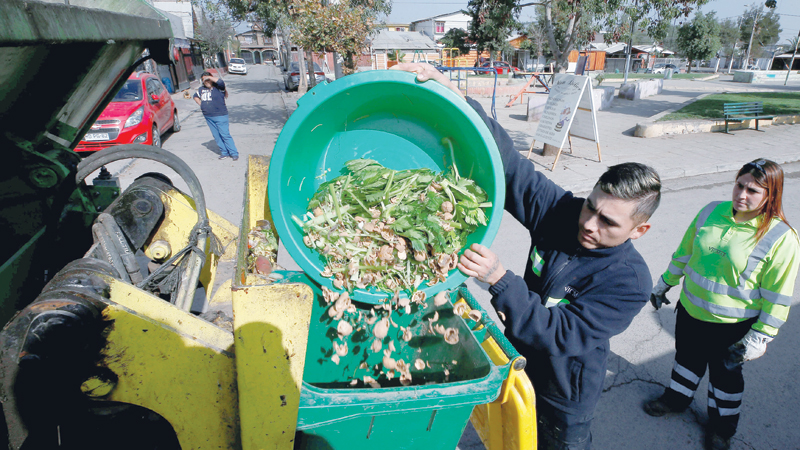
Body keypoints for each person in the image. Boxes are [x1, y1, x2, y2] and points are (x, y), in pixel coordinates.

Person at [391, 63, 662, 449]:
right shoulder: (565, 214)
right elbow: (512, 168)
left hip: (562, 396)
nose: (589, 223)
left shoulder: (629, 282)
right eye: (591, 207)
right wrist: (458, 98)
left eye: (608, 222)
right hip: (519, 369)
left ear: (639, 230)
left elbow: (560, 334)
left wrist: (500, 280)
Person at [645, 158, 799, 450]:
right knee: (686, 360)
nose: (742, 195)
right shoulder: (711, 211)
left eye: (753, 190)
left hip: (732, 327)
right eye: (739, 185)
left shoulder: (781, 237)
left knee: (725, 380)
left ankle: (721, 428)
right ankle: (676, 399)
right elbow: (685, 252)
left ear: (771, 195)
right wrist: (665, 282)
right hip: (690, 311)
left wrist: (761, 335)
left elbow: (778, 296)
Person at [193, 71, 239, 161]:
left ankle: (234, 153)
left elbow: (221, 82)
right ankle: (224, 152)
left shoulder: (219, 88)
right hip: (208, 116)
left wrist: (209, 77)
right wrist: (201, 104)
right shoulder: (201, 89)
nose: (206, 81)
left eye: (208, 79)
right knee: (216, 136)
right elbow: (195, 96)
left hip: (220, 115)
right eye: (204, 80)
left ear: (212, 79)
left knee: (225, 134)